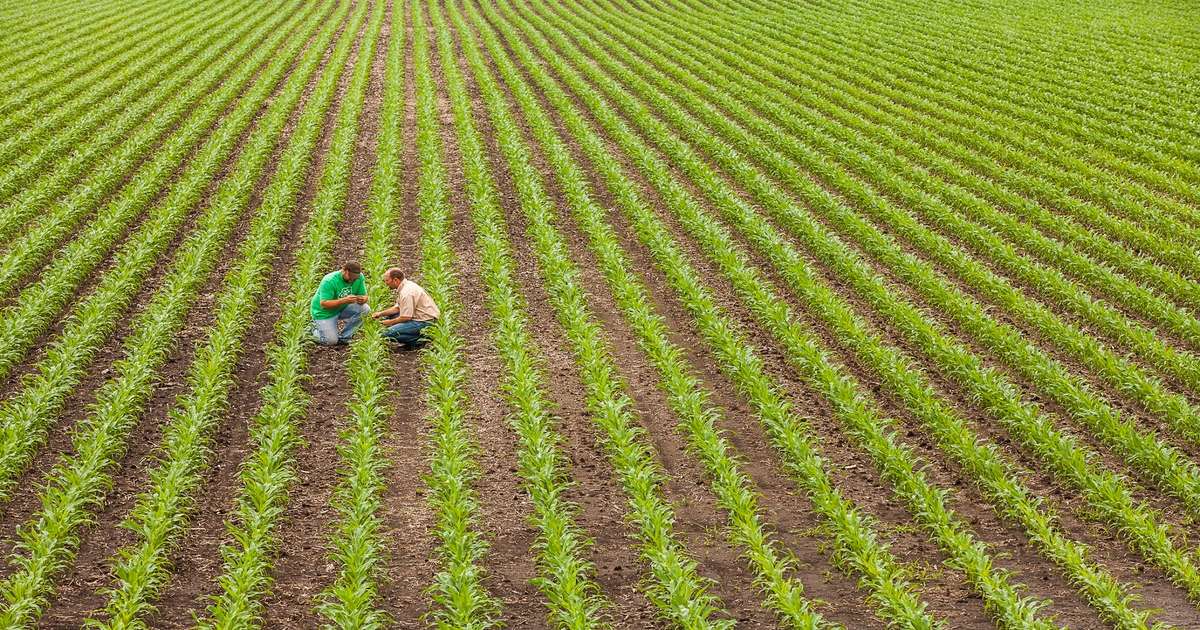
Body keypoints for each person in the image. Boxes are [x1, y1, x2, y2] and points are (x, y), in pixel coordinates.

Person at [372, 267, 439, 350]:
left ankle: (419, 341)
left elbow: (406, 317)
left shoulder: (407, 292)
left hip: (424, 321)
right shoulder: (406, 286)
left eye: (387, 280)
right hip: (418, 316)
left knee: (386, 333)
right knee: (388, 316)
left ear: (395, 280)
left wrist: (390, 323)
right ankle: (415, 336)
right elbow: (397, 308)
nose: (386, 283)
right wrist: (380, 313)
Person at [310, 262, 370, 346]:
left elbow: (364, 295)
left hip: (341, 307)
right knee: (330, 341)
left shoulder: (359, 278)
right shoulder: (329, 280)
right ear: (343, 270)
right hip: (324, 313)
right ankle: (310, 330)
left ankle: (344, 338)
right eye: (351, 276)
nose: (352, 280)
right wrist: (345, 300)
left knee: (365, 308)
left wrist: (363, 299)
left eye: (355, 278)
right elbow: (324, 304)